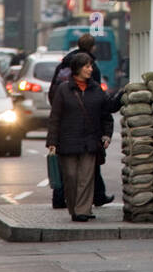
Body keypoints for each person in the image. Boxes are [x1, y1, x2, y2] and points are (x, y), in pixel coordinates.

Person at [48, 34, 116, 208]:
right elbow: (56, 116)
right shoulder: (67, 87)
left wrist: (106, 133)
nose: (90, 70)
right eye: (87, 67)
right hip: (71, 136)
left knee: (86, 174)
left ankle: (81, 208)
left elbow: (104, 108)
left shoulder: (64, 65)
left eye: (90, 67)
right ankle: (77, 203)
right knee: (71, 175)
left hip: (87, 138)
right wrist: (53, 141)